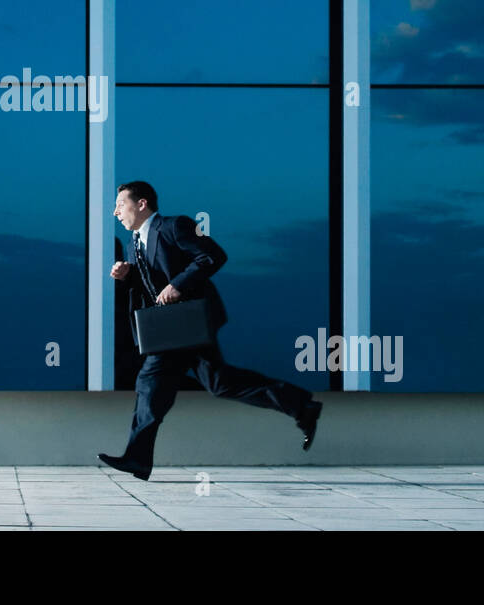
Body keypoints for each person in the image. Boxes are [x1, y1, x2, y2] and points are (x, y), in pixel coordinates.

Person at [97, 181, 324, 480]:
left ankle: (138, 458)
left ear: (141, 204)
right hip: (172, 328)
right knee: (215, 382)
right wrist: (129, 275)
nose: (115, 212)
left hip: (192, 321)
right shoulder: (134, 243)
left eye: (120, 204)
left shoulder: (176, 226)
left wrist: (178, 284)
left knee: (154, 381)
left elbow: (214, 255)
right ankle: (301, 406)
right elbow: (153, 285)